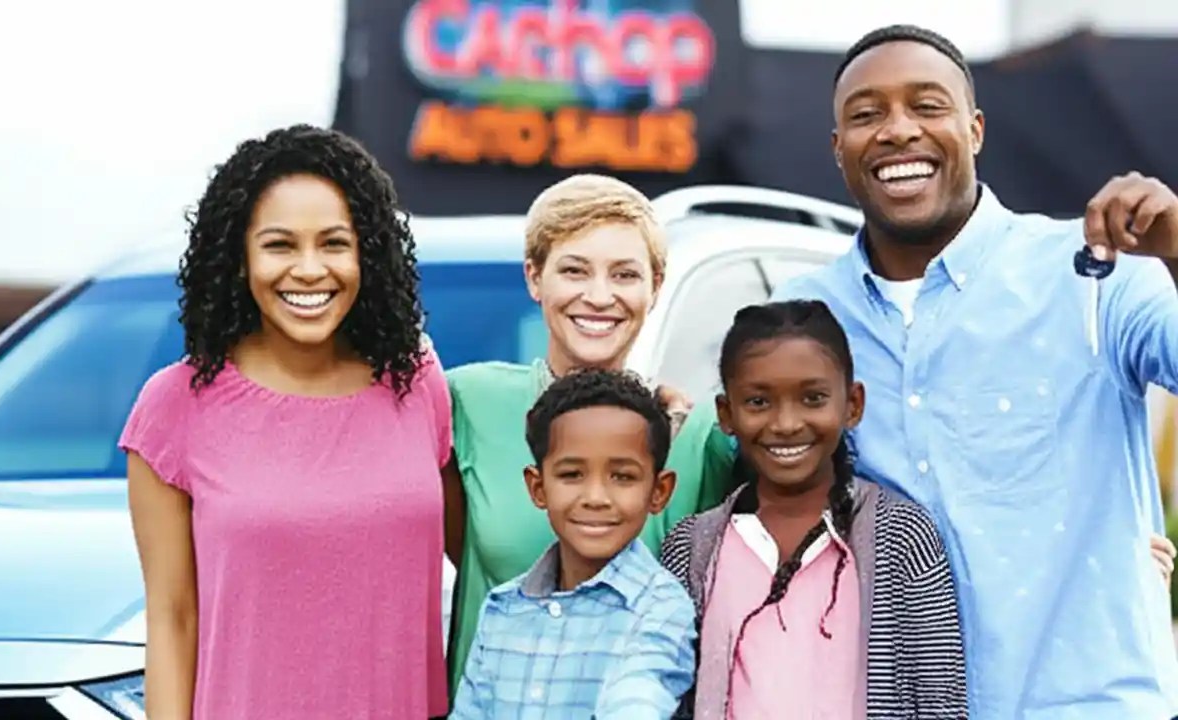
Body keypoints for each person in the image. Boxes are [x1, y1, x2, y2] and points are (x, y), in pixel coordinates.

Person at [771, 23, 1178, 717]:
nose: (898, 130)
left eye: (927, 106)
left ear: (976, 129)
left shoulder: (1097, 277)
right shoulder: (798, 320)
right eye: (867, 115)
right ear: (839, 150)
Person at [119, 125, 452, 719]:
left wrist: (653, 411)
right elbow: (172, 620)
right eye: (279, 245)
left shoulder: (418, 383)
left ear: (367, 254)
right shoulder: (175, 406)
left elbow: (495, 543)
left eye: (334, 243)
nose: (309, 270)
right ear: (238, 257)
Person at [442, 174, 736, 695]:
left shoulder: (698, 437)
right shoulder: (467, 402)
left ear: (656, 285)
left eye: (625, 274)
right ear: (534, 277)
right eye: (574, 271)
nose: (599, 296)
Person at [661, 300, 967, 719]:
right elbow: (669, 696)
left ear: (852, 405)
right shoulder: (692, 548)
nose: (786, 423)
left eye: (813, 398)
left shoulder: (901, 536)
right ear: (726, 414)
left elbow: (940, 701)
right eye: (758, 402)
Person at [450, 368, 697, 719]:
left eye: (622, 477)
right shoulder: (502, 608)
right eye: (571, 475)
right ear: (538, 488)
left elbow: (640, 698)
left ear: (659, 492)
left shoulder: (662, 608)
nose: (595, 497)